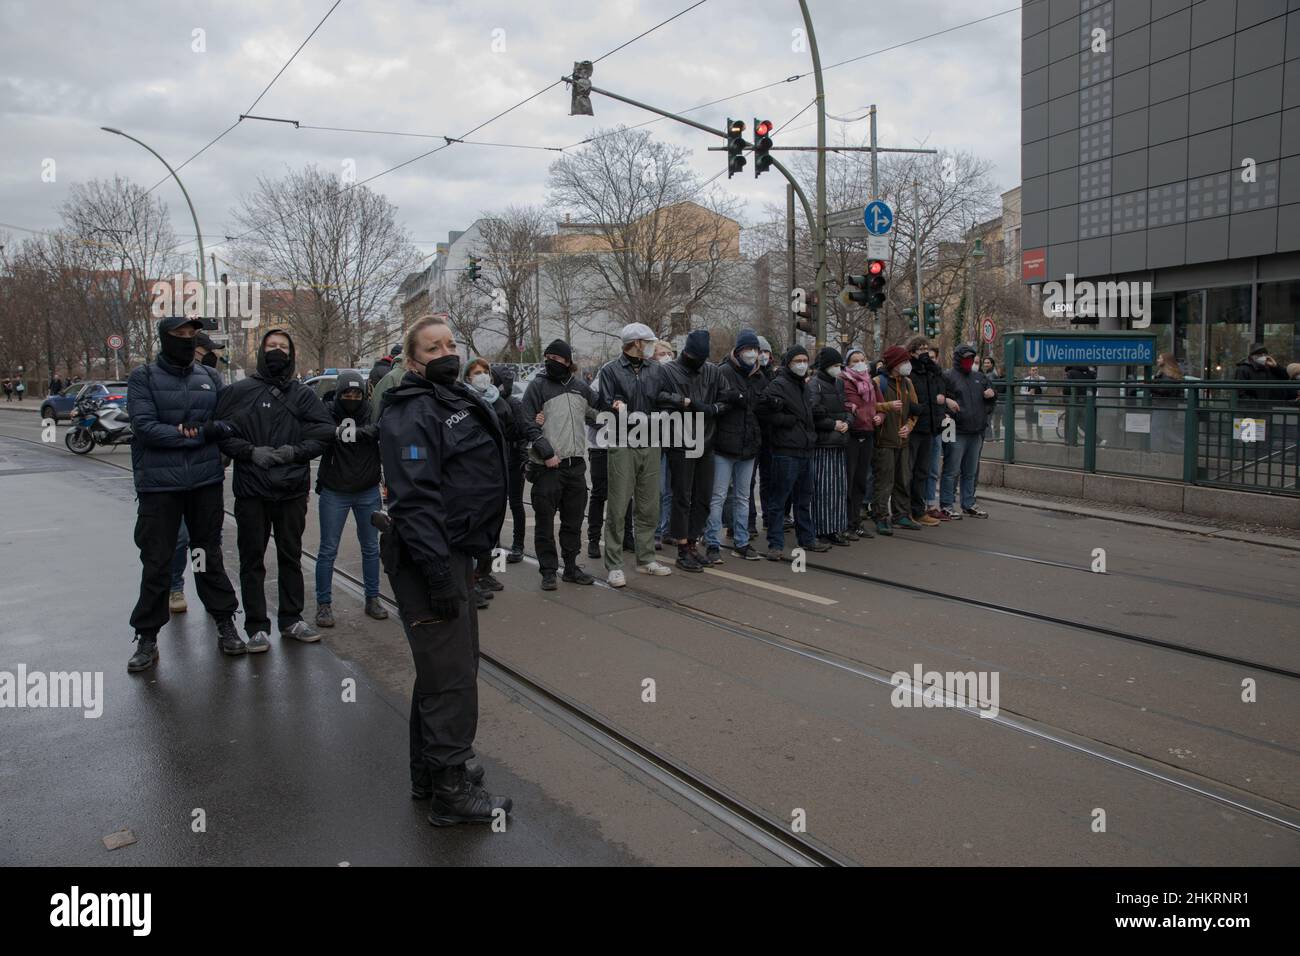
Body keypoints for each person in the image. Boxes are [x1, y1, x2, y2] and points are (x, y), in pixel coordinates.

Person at [377, 314, 512, 825]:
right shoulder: (410, 412)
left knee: (442, 670)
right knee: (451, 676)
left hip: (454, 552)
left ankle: (429, 773)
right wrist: (437, 572)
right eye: (433, 348)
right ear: (413, 361)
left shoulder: (451, 398)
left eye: (450, 344)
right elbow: (414, 500)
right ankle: (450, 794)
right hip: (426, 557)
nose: (447, 353)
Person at [125, 315, 243, 671]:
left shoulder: (209, 377)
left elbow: (228, 424)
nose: (188, 340)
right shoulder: (142, 377)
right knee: (158, 562)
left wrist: (202, 431)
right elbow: (145, 428)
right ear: (165, 338)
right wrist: (195, 435)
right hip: (160, 489)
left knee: (207, 557)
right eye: (180, 334)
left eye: (192, 334)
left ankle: (225, 622)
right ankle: (146, 637)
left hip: (204, 485)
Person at [216, 329, 337, 650]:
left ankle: (291, 618)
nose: (278, 351)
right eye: (272, 346)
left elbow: (326, 432)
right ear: (261, 350)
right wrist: (248, 451)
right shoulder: (239, 392)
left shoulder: (302, 395)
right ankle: (256, 625)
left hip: (292, 488)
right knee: (252, 558)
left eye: (284, 346)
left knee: (290, 555)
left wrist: (295, 452)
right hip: (252, 490)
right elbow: (220, 432)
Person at [595, 323, 674, 586]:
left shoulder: (656, 370)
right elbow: (604, 404)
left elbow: (663, 398)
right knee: (618, 505)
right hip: (621, 442)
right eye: (648, 341)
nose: (653, 346)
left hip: (651, 441)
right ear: (637, 343)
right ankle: (615, 563)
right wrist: (615, 406)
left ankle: (646, 558)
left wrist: (666, 410)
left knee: (649, 503)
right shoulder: (611, 370)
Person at [522, 340, 600, 591]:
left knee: (573, 521)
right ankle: (547, 571)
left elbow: (597, 414)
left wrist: (617, 409)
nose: (550, 362)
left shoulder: (580, 388)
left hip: (575, 466)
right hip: (548, 467)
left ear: (568, 361)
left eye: (556, 359)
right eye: (547, 358)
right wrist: (545, 452)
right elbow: (527, 422)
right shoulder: (537, 386)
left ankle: (570, 567)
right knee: (545, 523)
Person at [313, 371, 388, 628]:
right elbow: (317, 431)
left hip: (367, 490)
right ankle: (324, 604)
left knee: (371, 548)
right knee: (327, 550)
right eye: (347, 394)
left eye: (356, 394)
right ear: (339, 394)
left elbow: (381, 430)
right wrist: (345, 432)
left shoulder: (371, 412)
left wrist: (358, 432)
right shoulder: (327, 411)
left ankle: (372, 598)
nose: (352, 398)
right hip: (335, 491)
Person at [659, 329, 731, 571]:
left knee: (703, 496)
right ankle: (681, 546)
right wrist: (684, 402)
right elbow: (657, 396)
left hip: (706, 440)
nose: (697, 361)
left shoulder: (711, 371)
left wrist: (713, 409)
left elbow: (726, 399)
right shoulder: (668, 370)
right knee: (682, 495)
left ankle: (691, 542)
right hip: (680, 441)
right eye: (693, 356)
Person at [169, 331, 226, 615]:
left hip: (206, 473)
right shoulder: (164, 379)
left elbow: (225, 421)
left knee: (208, 540)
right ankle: (175, 586)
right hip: (173, 475)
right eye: (208, 351)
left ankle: (207, 588)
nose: (212, 357)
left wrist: (222, 452)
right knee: (179, 537)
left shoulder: (212, 379)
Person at [757, 345, 829, 560]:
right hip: (785, 451)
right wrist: (786, 421)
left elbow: (805, 414)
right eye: (797, 360)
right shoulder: (778, 384)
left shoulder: (803, 386)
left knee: (803, 498)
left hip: (805, 449)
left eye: (805, 360)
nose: (802, 364)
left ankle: (807, 538)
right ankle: (775, 544)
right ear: (789, 363)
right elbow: (762, 411)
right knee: (779, 499)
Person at [704, 330, 764, 561]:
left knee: (742, 497)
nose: (752, 353)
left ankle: (742, 541)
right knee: (718, 496)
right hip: (724, 445)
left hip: (749, 445)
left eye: (755, 349)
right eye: (748, 349)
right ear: (738, 351)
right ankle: (712, 543)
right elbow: (715, 405)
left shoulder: (759, 376)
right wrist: (732, 398)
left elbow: (761, 405)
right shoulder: (722, 372)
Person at [940, 343, 994, 519]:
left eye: (971, 358)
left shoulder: (979, 377)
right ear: (958, 359)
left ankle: (968, 503)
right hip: (956, 430)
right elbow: (940, 399)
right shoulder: (948, 377)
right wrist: (948, 406)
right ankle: (947, 504)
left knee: (970, 471)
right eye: (966, 359)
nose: (969, 362)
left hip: (976, 430)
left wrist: (991, 395)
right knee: (951, 470)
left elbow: (990, 399)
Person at [872, 346, 921, 535]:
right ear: (894, 364)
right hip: (884, 440)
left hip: (903, 441)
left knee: (903, 479)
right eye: (904, 362)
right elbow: (869, 406)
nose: (907, 365)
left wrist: (909, 426)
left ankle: (901, 515)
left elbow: (915, 410)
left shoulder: (908, 383)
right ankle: (881, 516)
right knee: (884, 481)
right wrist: (887, 406)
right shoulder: (878, 382)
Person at [807, 347, 853, 546]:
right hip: (823, 444)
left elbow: (847, 408)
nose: (838, 369)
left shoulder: (840, 384)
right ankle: (822, 528)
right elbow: (815, 413)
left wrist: (847, 422)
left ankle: (835, 528)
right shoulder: (815, 385)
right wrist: (835, 423)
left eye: (839, 365)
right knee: (823, 489)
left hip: (839, 442)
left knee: (838, 489)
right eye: (835, 365)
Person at [905, 336, 950, 527]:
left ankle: (918, 509)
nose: (924, 351)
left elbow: (940, 392)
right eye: (920, 348)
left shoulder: (931, 371)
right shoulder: (909, 371)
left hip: (929, 428)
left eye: (926, 348)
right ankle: (905, 510)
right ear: (912, 351)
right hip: (914, 428)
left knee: (923, 471)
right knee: (909, 470)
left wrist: (933, 368)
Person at [841, 348, 880, 540]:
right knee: (848, 481)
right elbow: (851, 404)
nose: (859, 364)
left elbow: (879, 405)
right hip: (852, 435)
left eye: (862, 360)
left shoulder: (871, 382)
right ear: (847, 365)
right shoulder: (844, 381)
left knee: (860, 481)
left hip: (868, 434)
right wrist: (864, 414)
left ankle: (856, 522)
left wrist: (879, 416)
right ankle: (845, 522)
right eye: (854, 361)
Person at [1020, 365, 1046, 440]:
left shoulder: (1042, 378)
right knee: (1029, 422)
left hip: (1040, 401)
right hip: (1029, 402)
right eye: (1033, 370)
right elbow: (1022, 391)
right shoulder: (1026, 379)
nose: (1035, 371)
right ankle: (1029, 438)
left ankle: (1040, 438)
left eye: (1036, 370)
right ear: (1030, 371)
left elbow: (1045, 389)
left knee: (1040, 422)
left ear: (1038, 371)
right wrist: (1028, 393)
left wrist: (1039, 381)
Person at [982, 356, 1002, 439]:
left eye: (988, 363)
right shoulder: (989, 374)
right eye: (985, 363)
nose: (986, 364)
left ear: (992, 364)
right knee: (989, 422)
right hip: (991, 401)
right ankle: (990, 438)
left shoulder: (991, 375)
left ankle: (989, 439)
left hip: (990, 401)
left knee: (987, 421)